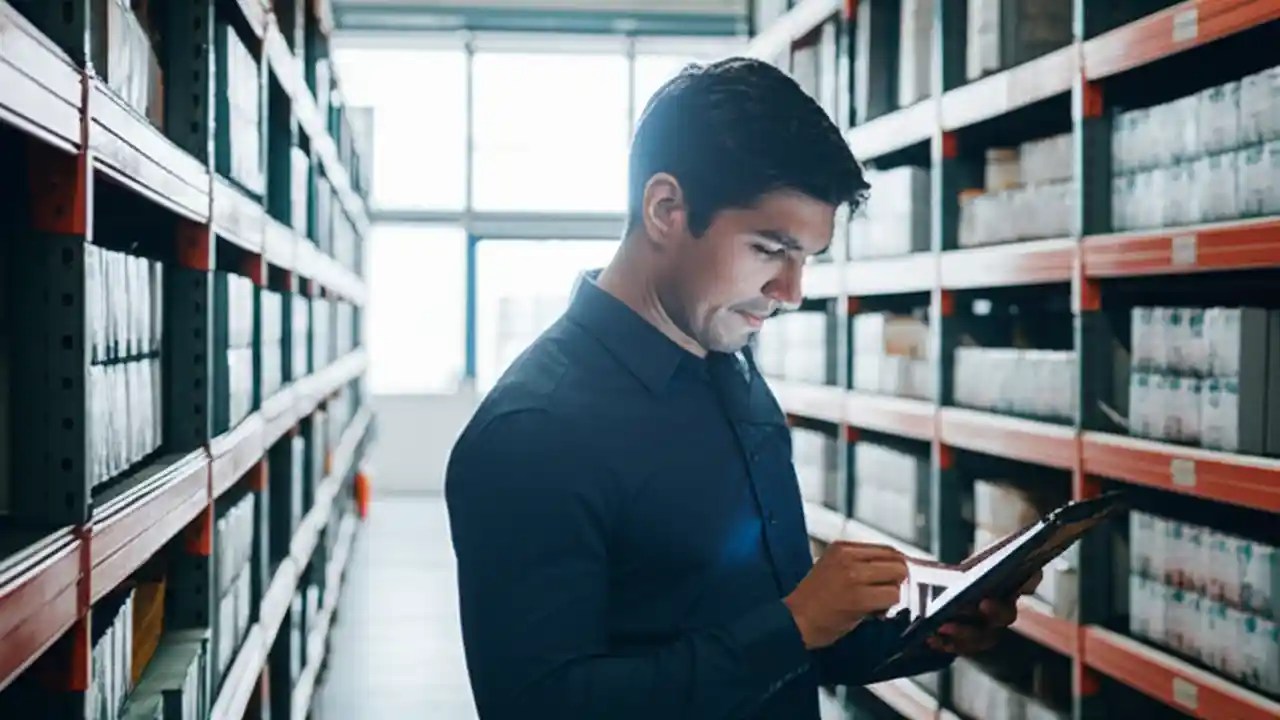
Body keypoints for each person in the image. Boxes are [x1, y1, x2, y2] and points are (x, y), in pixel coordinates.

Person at [445, 57, 1031, 719]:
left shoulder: (733, 372)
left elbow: (781, 647)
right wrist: (795, 626)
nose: (791, 292)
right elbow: (542, 708)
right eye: (768, 249)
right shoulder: (533, 433)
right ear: (666, 208)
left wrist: (931, 629)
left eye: (805, 258)